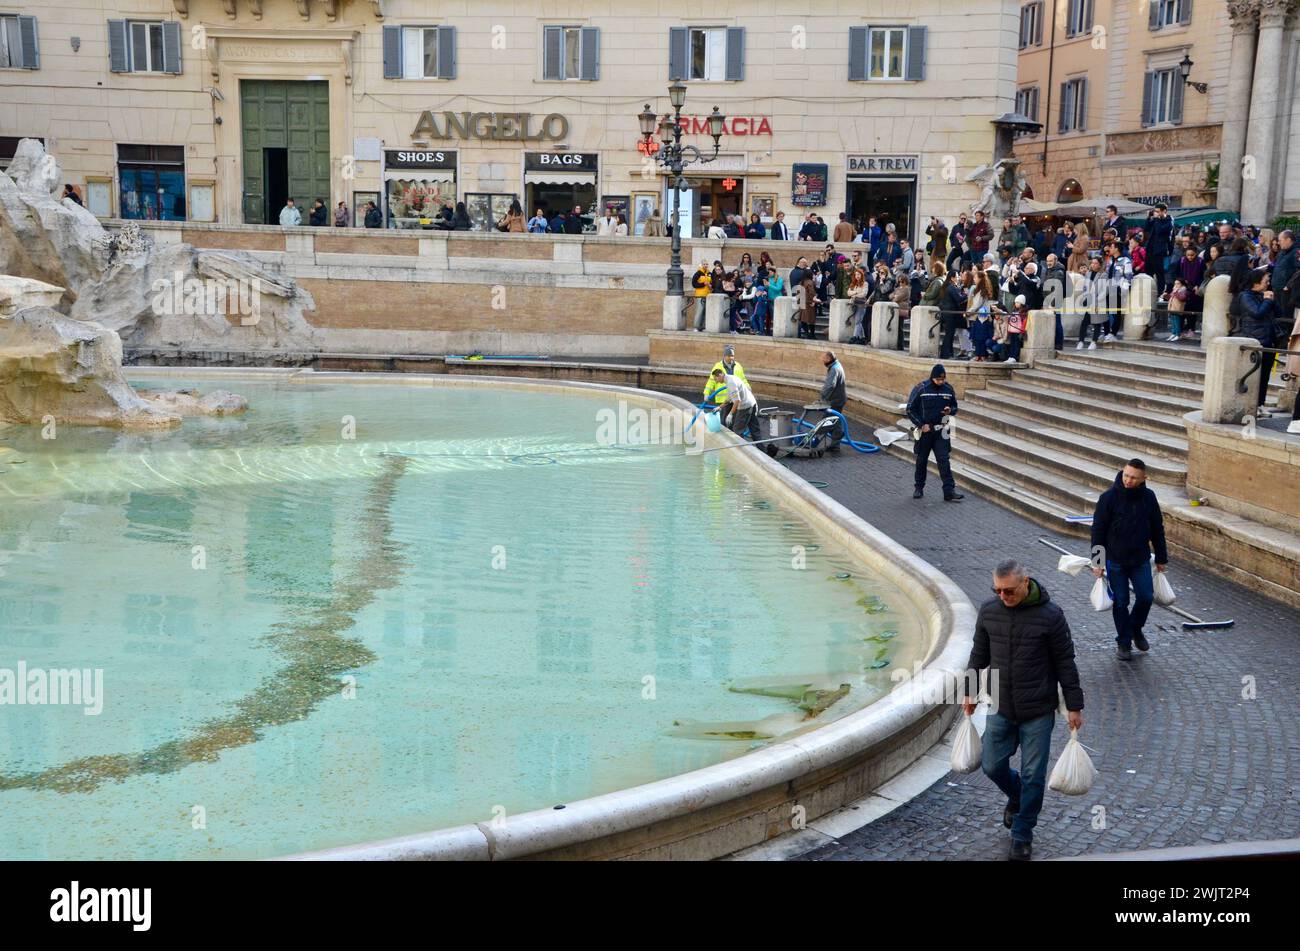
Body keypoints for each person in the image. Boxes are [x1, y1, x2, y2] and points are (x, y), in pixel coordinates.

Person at [963, 559, 1085, 861]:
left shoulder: (1052, 616)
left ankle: (1022, 832)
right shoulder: (989, 611)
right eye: (998, 591)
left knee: (1034, 775)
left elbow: (1065, 662)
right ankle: (1017, 796)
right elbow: (978, 654)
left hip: (1038, 711)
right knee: (991, 765)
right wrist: (969, 691)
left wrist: (1074, 705)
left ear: (1025, 582)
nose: (1003, 597)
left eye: (1009, 591)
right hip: (1000, 705)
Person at [1091, 459, 1168, 661]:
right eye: (1126, 475)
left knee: (1146, 596)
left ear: (1144, 478)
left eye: (1133, 478)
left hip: (1140, 558)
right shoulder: (1108, 498)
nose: (1128, 480)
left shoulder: (1149, 498)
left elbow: (1157, 529)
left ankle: (1135, 628)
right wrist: (1098, 562)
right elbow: (1098, 531)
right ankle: (1124, 643)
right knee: (1121, 602)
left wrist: (1161, 557)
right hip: (1115, 560)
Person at [1230, 266, 1283, 416]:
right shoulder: (1245, 296)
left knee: (1265, 376)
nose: (1268, 283)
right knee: (1254, 376)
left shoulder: (1264, 295)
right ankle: (1250, 405)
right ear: (1256, 282)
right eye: (1266, 281)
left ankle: (1259, 405)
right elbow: (1257, 313)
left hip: (1269, 341)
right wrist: (1267, 301)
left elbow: (1279, 313)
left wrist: (1271, 300)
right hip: (1255, 341)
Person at [905, 364, 962, 501]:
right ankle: (919, 488)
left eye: (942, 380)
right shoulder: (921, 388)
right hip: (926, 431)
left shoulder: (948, 389)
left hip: (942, 430)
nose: (941, 382)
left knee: (944, 460)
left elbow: (955, 406)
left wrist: (950, 411)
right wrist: (921, 424)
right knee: (921, 460)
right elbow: (910, 409)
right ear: (932, 378)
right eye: (938, 380)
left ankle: (949, 491)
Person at [1143, 202, 1174, 295]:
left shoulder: (1169, 220)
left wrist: (1156, 219)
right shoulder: (1157, 219)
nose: (1155, 213)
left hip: (1160, 250)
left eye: (1157, 211)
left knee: (1159, 273)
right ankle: (1148, 291)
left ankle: (1160, 292)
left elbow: (1160, 230)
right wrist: (1149, 218)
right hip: (1150, 249)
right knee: (1148, 271)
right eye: (1154, 211)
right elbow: (1146, 228)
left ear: (1164, 211)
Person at [817, 351, 847, 448]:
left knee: (825, 422)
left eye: (824, 359)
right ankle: (836, 442)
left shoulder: (834, 369)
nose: (822, 361)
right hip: (838, 399)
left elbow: (830, 385)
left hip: (835, 400)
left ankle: (813, 441)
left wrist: (822, 398)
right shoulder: (837, 365)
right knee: (834, 420)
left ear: (829, 359)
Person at [689, 261, 712, 331]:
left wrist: (710, 285)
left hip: (708, 295)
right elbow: (694, 284)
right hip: (700, 295)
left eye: (707, 264)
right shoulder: (698, 273)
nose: (705, 265)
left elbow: (712, 283)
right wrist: (703, 284)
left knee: (706, 311)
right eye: (704, 264)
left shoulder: (709, 273)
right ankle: (696, 327)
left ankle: (703, 327)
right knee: (699, 311)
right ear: (701, 265)